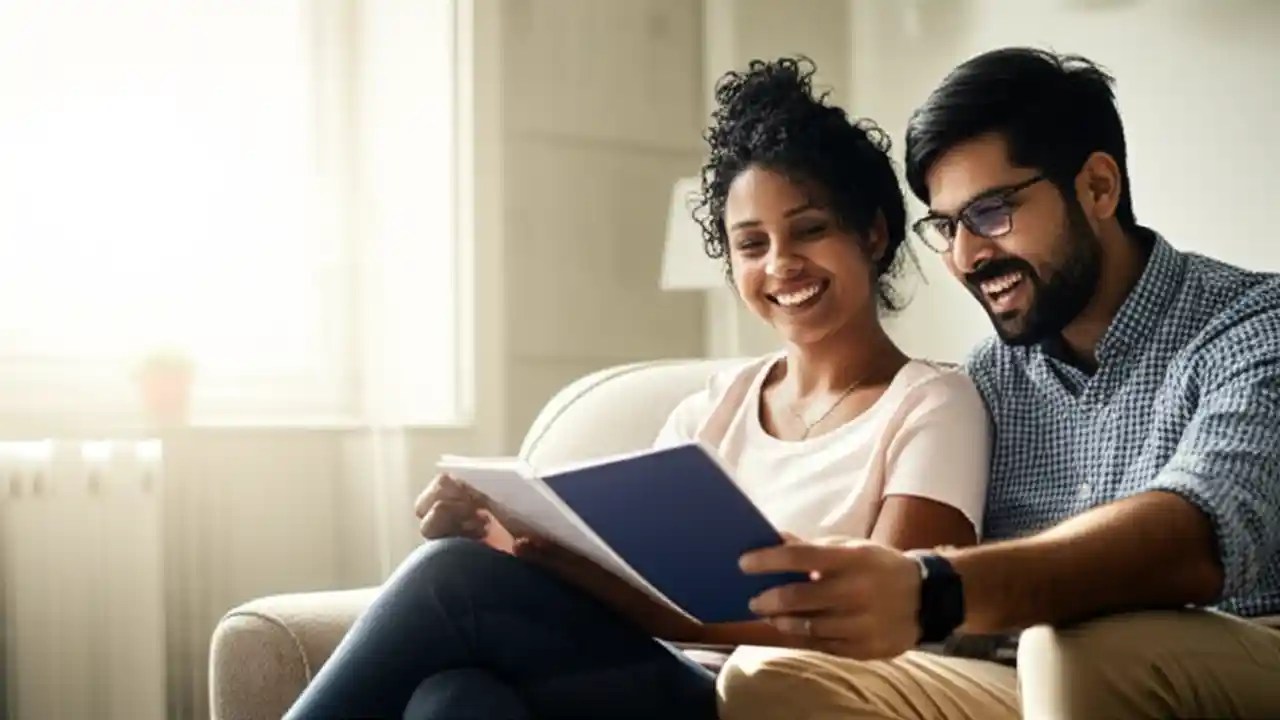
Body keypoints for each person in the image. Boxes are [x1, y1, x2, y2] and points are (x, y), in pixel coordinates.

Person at [282, 57, 991, 720]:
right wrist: (502, 533)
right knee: (455, 699)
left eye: (809, 231)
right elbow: (625, 575)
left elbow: (893, 621)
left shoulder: (932, 404)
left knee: (451, 579)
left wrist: (641, 608)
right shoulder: (710, 410)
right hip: (650, 671)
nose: (781, 265)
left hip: (757, 697)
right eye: (751, 244)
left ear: (871, 234)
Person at [715, 47, 1280, 719]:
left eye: (991, 213)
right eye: (947, 226)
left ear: (1098, 187)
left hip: (1246, 645)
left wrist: (934, 590)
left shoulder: (1253, 326)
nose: (967, 256)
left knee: (1074, 646)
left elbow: (1197, 535)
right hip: (1032, 678)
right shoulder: (991, 379)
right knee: (771, 677)